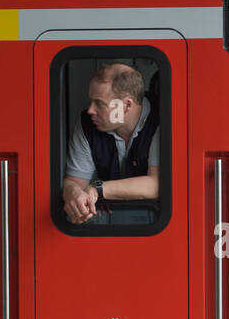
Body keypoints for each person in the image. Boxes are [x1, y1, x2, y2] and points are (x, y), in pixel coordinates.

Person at [62, 63, 160, 224]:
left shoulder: (161, 118)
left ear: (127, 105)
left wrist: (97, 189)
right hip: (110, 224)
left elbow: (155, 185)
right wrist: (74, 194)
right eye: (91, 101)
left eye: (99, 103)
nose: (90, 110)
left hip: (158, 225)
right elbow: (73, 182)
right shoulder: (88, 123)